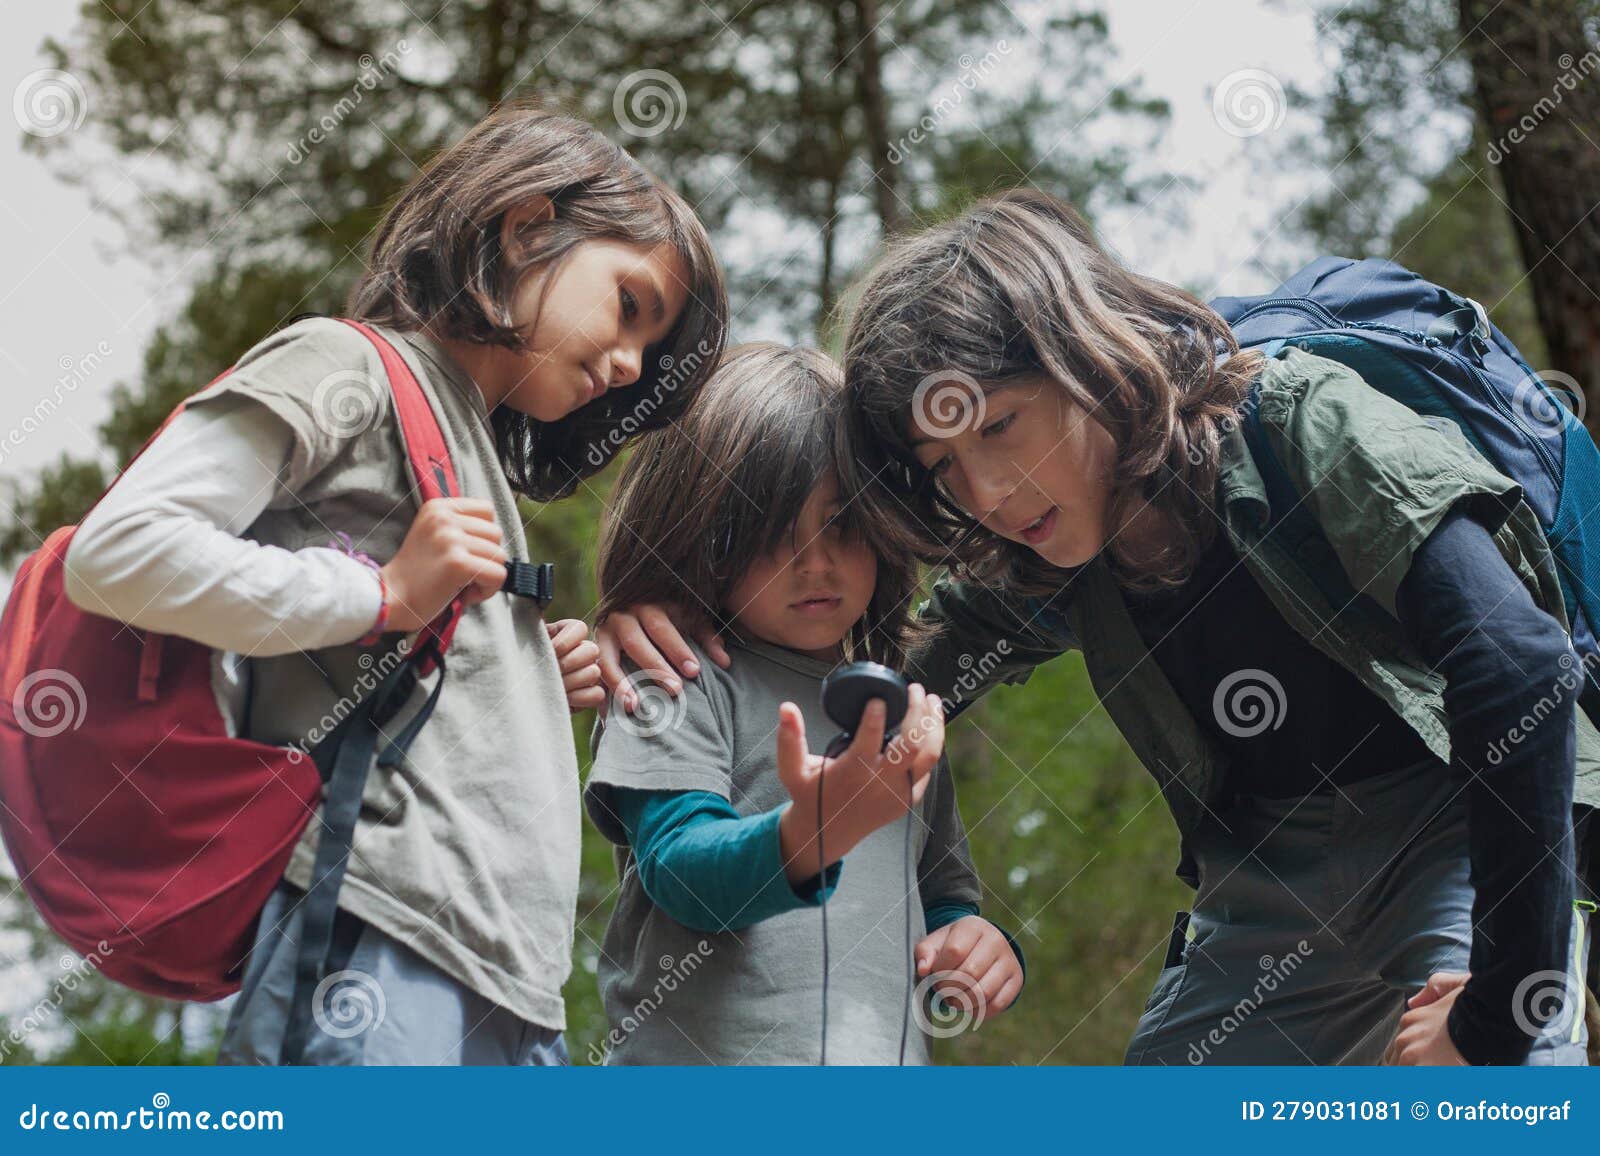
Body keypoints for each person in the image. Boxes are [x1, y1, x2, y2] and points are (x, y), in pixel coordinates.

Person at [594, 188, 1597, 1066]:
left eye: (999, 427)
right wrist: (667, 613)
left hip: (1455, 824)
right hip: (1267, 883)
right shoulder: (1049, 560)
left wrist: (1501, 1012)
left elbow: (1516, 668)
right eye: (944, 467)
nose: (986, 491)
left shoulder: (1298, 419)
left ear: (1084, 361)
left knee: (1490, 1099)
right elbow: (866, 672)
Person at [64, 103, 728, 1065]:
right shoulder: (347, 364)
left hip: (509, 991)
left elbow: (395, 652)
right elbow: (120, 550)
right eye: (630, 306)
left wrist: (520, 672)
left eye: (650, 355)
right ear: (528, 225)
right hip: (377, 949)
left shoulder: (469, 445)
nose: (629, 367)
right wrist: (383, 597)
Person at [584, 344, 1023, 1064]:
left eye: (844, 525)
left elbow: (943, 897)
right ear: (698, 534)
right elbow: (679, 872)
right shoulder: (677, 674)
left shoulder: (898, 714)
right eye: (773, 534)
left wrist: (977, 944)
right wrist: (813, 833)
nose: (815, 564)